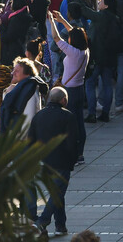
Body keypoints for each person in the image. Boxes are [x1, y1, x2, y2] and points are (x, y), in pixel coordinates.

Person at [28, 87, 77, 236]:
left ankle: (61, 226)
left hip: (43, 162)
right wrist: (72, 161)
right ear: (63, 100)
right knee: (57, 193)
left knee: (57, 192)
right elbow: (72, 143)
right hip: (61, 162)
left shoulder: (39, 116)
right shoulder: (68, 116)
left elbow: (31, 140)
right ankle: (42, 221)